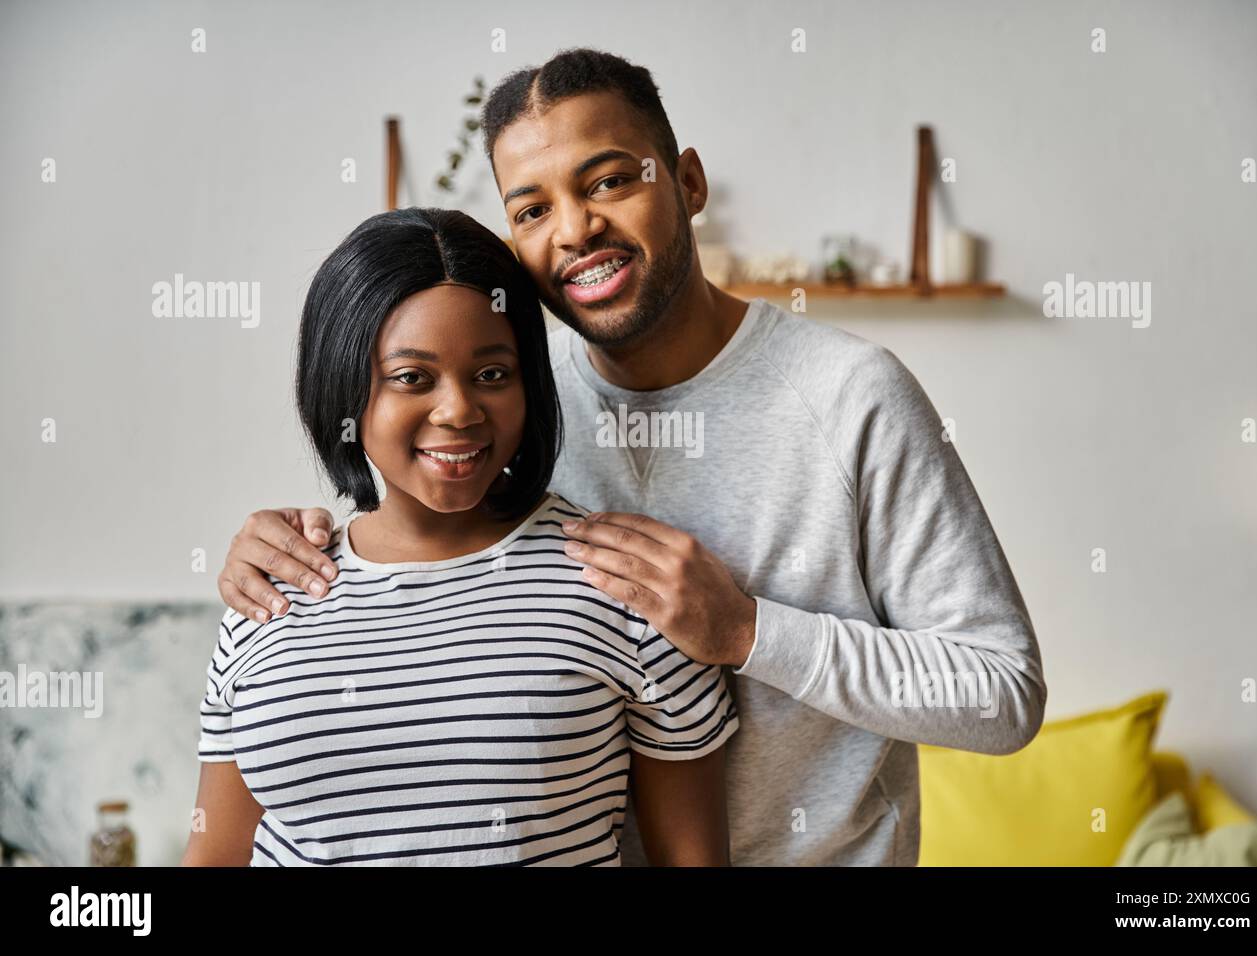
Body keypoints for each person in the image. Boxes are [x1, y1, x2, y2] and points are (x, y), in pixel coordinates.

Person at [215, 48, 1047, 866]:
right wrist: (280, 543)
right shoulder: (521, 411)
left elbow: (1002, 695)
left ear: (686, 182)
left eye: (610, 181)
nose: (576, 229)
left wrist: (750, 631)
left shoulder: (850, 395)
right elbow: (414, 505)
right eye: (532, 209)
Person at [182, 207, 737, 866]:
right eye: (412, 378)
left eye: (492, 374)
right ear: (343, 389)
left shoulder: (626, 586)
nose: (459, 410)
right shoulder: (266, 591)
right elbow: (212, 856)